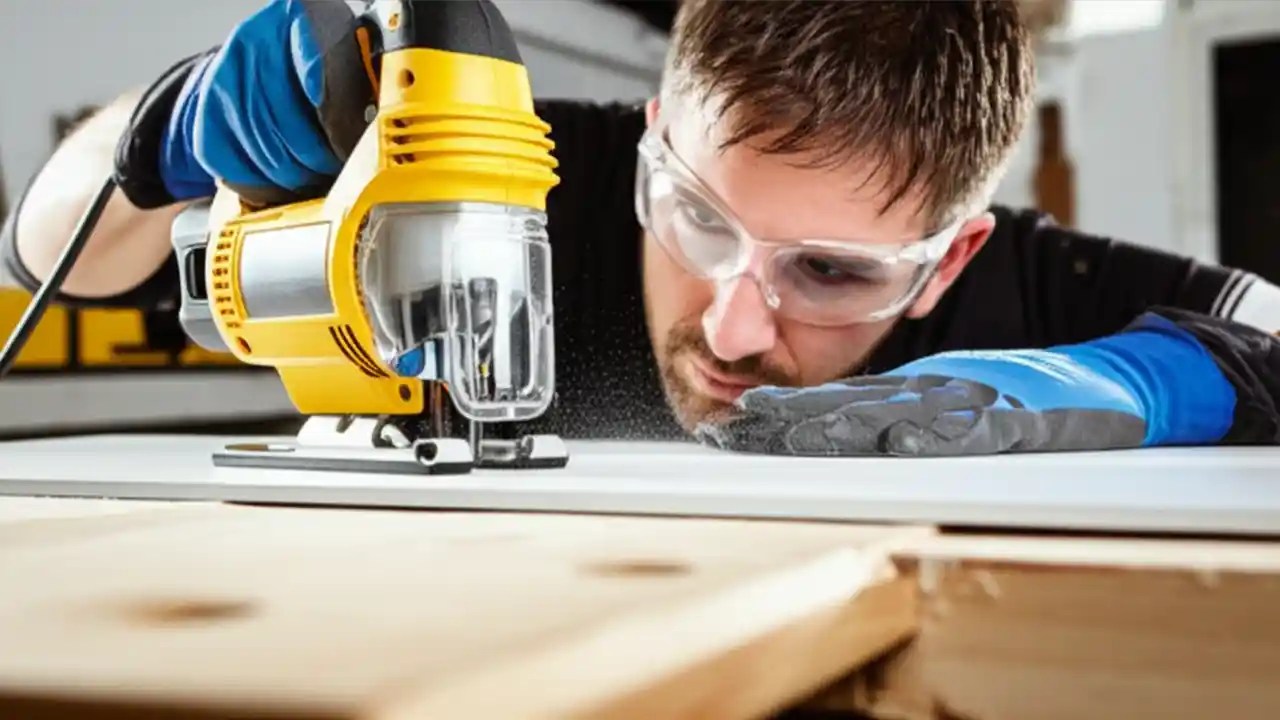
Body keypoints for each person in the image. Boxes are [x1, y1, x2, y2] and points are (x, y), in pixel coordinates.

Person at [3, 0, 1278, 456]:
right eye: (697, 221)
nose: (732, 324)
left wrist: (1152, 378)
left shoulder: (1038, 293)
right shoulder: (494, 154)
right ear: (660, 132)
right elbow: (55, 264)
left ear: (949, 259)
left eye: (828, 274)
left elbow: (1267, 332)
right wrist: (164, 132)